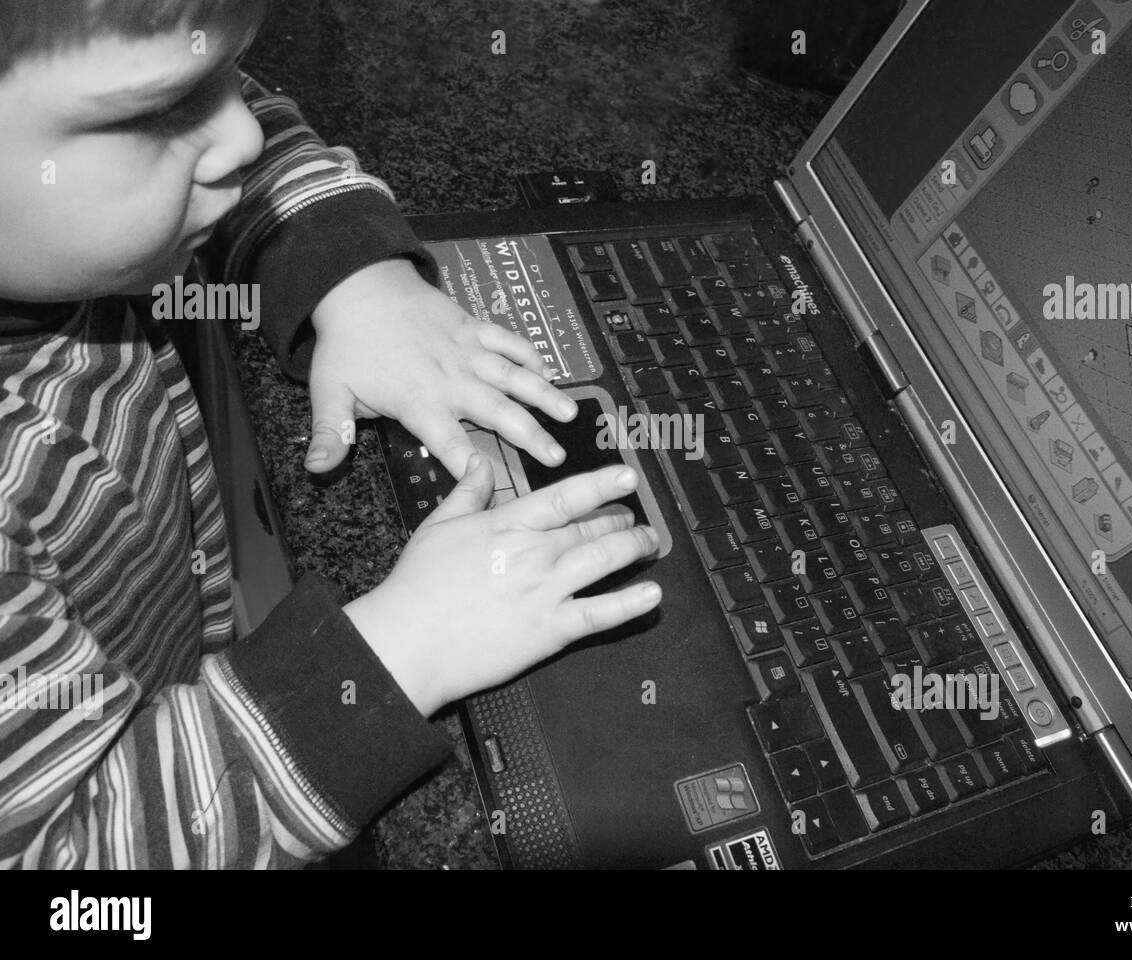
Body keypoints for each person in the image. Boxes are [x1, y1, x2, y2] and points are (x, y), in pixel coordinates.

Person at [0, 0, 661, 868]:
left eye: (222, 73)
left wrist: (349, 270)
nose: (240, 134)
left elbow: (250, 125)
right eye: (158, 110)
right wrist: (402, 649)